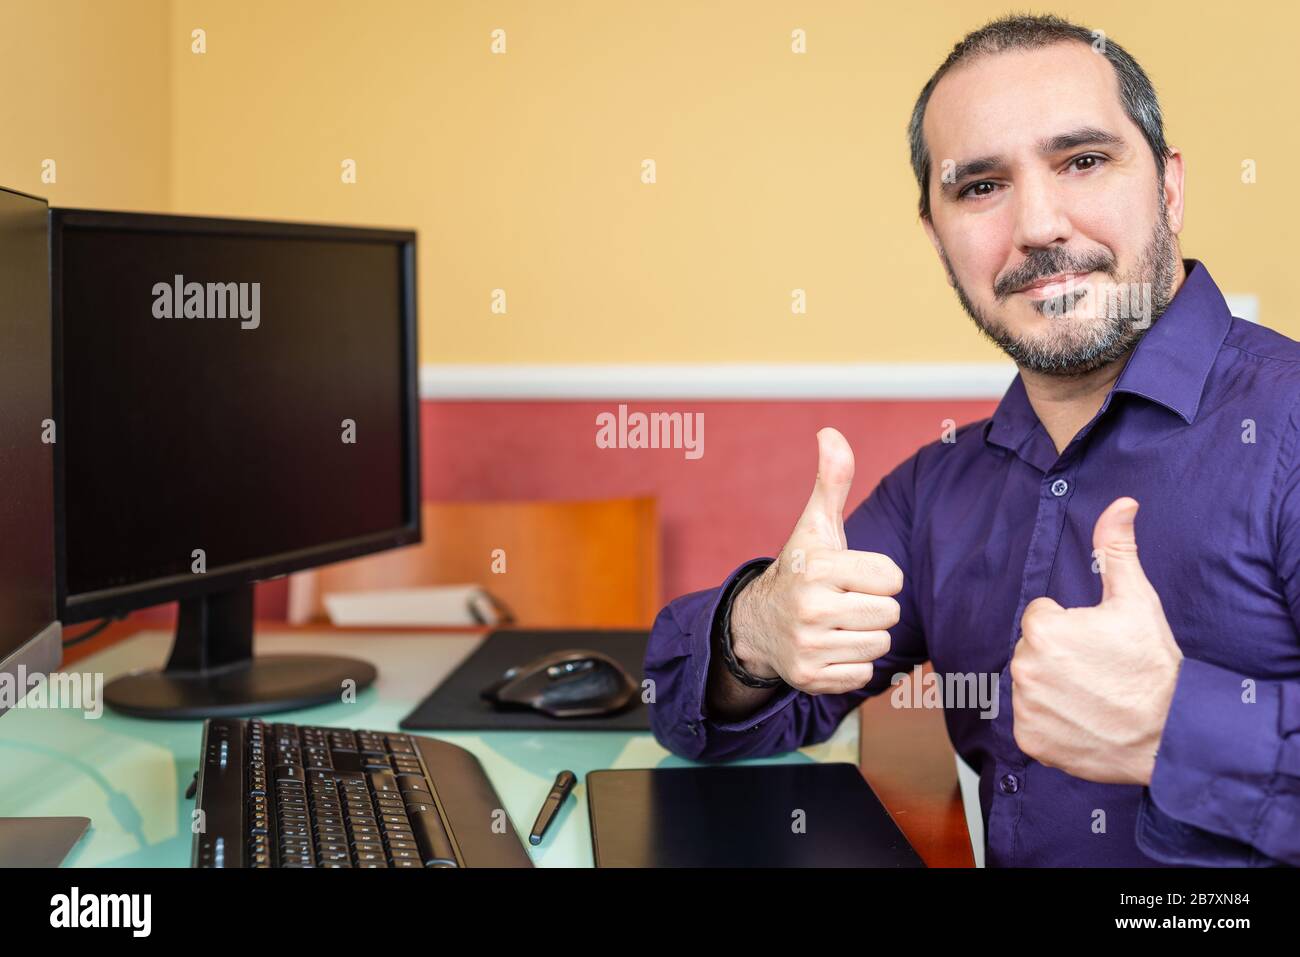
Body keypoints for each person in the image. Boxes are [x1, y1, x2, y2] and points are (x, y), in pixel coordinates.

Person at [645, 13, 1300, 866]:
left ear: (1169, 188)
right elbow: (686, 708)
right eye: (981, 186)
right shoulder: (937, 492)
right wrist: (758, 629)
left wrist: (1182, 729)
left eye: (1084, 161)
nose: (1037, 226)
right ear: (936, 235)